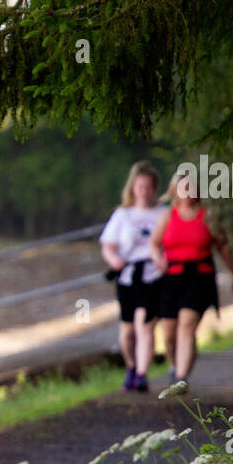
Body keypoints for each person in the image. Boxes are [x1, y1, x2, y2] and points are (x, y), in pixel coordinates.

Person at [149, 166, 233, 393]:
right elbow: (154, 243)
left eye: (191, 187)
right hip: (172, 277)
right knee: (168, 334)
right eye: (182, 188)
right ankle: (175, 367)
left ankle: (181, 379)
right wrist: (158, 259)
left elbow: (223, 247)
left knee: (187, 324)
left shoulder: (208, 215)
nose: (187, 192)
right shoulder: (167, 216)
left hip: (200, 277)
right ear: (174, 191)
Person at [100, 161, 167, 393]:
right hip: (128, 276)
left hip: (154, 276)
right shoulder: (123, 214)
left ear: (155, 188)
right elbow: (108, 245)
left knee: (144, 325)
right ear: (133, 187)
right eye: (141, 186)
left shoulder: (163, 214)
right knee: (127, 331)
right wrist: (114, 260)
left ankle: (142, 374)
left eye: (149, 187)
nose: (145, 191)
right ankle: (131, 365)